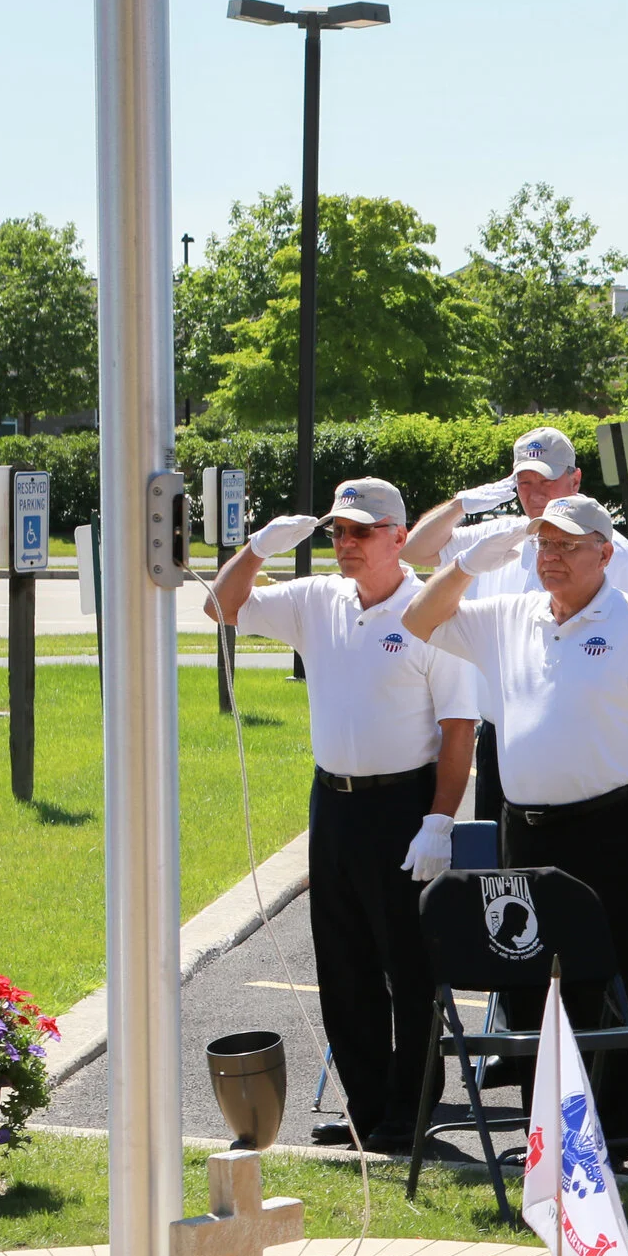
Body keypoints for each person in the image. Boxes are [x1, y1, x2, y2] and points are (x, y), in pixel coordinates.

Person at [401, 493, 628, 1148]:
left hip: (609, 828)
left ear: (606, 552)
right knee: (532, 982)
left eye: (568, 545)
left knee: (609, 983)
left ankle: (611, 1138)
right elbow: (418, 617)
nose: (553, 557)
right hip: (526, 830)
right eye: (544, 545)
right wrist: (464, 565)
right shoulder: (511, 615)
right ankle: (551, 1137)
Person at [203, 478, 477, 1152]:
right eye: (337, 532)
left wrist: (440, 820)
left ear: (398, 536)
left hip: (403, 801)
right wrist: (258, 547)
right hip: (334, 800)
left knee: (407, 968)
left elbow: (459, 729)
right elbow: (220, 605)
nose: (345, 543)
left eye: (360, 531)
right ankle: (366, 1104)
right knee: (344, 963)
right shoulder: (317, 599)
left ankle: (407, 1112)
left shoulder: (430, 610)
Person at [403, 426, 628, 824]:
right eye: (524, 482)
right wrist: (462, 504)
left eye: (547, 481)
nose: (535, 494)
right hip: (500, 740)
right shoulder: (498, 536)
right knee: (504, 878)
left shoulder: (611, 551)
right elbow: (416, 549)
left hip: (583, 740)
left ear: (575, 479)